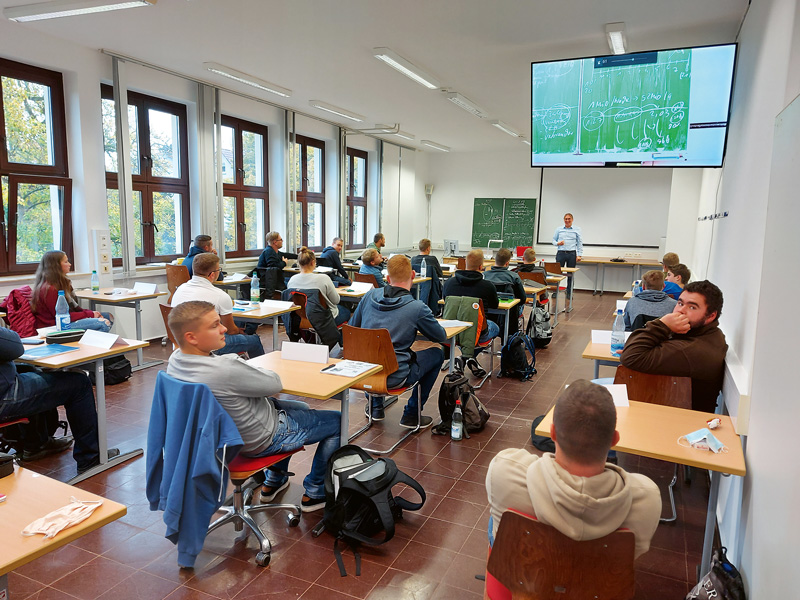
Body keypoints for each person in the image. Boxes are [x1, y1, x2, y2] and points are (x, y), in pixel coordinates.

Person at [166, 301, 340, 511]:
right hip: (258, 440)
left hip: (218, 443)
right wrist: (240, 366)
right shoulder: (226, 368)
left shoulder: (175, 361)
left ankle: (274, 480)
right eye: (214, 326)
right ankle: (315, 491)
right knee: (338, 421)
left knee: (300, 408)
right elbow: (274, 383)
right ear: (191, 337)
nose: (224, 329)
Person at [485, 380, 661, 558]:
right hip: (596, 585)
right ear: (614, 440)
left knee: (496, 520)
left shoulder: (505, 470)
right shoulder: (647, 499)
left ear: (552, 433)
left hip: (524, 580)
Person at [0, 327, 118, 475]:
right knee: (79, 384)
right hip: (5, 396)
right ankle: (91, 458)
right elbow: (15, 345)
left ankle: (37, 444)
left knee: (31, 370)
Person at [350, 255, 447, 428]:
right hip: (395, 377)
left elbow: (352, 330)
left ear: (387, 278)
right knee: (437, 354)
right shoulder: (417, 308)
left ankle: (375, 407)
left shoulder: (368, 296)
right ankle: (411, 414)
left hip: (362, 373)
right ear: (413, 275)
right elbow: (440, 336)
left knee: (378, 354)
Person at [621, 280, 728, 413]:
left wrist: (662, 324)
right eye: (680, 303)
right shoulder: (709, 333)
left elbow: (631, 357)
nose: (681, 310)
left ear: (711, 316)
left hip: (680, 421)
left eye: (692, 307)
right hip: (668, 406)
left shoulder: (691, 351)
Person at [170, 252, 265, 358]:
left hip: (182, 343)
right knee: (254, 340)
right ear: (212, 274)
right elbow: (231, 330)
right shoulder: (220, 295)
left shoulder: (180, 289)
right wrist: (240, 332)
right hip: (209, 345)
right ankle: (259, 371)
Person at [442, 249, 500, 376]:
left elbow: (445, 300)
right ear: (481, 266)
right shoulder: (488, 286)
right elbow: (495, 305)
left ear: (465, 264)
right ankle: (468, 357)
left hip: (453, 331)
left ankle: (465, 357)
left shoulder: (449, 283)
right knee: (495, 327)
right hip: (479, 334)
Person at [31, 251, 113, 332]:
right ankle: (87, 344)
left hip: (65, 320)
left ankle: (88, 342)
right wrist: (90, 314)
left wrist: (92, 313)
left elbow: (76, 309)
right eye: (66, 262)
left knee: (108, 316)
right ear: (56, 266)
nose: (70, 264)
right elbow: (62, 316)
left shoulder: (62, 283)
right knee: (103, 323)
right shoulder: (49, 289)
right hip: (55, 326)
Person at [288, 247, 351, 326]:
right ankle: (336, 337)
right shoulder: (324, 278)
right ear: (313, 262)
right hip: (324, 319)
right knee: (347, 312)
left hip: (302, 319)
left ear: (299, 263)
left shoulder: (292, 280)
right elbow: (336, 301)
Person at [484, 248, 526, 336]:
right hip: (510, 315)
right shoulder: (514, 276)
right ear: (507, 263)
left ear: (495, 260)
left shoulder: (484, 276)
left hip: (488, 314)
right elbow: (522, 299)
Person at [411, 238, 443, 315]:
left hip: (415, 292)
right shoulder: (432, 259)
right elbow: (440, 274)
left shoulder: (413, 259)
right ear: (428, 248)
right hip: (432, 291)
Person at [552, 213, 582, 295]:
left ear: (572, 220)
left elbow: (579, 243)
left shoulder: (577, 229)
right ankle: (555, 291)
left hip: (572, 254)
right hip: (561, 253)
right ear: (564, 220)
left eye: (569, 219)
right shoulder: (559, 229)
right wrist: (558, 243)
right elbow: (553, 241)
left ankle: (569, 292)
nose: (567, 220)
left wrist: (579, 255)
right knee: (557, 273)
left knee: (571, 274)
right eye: (566, 219)